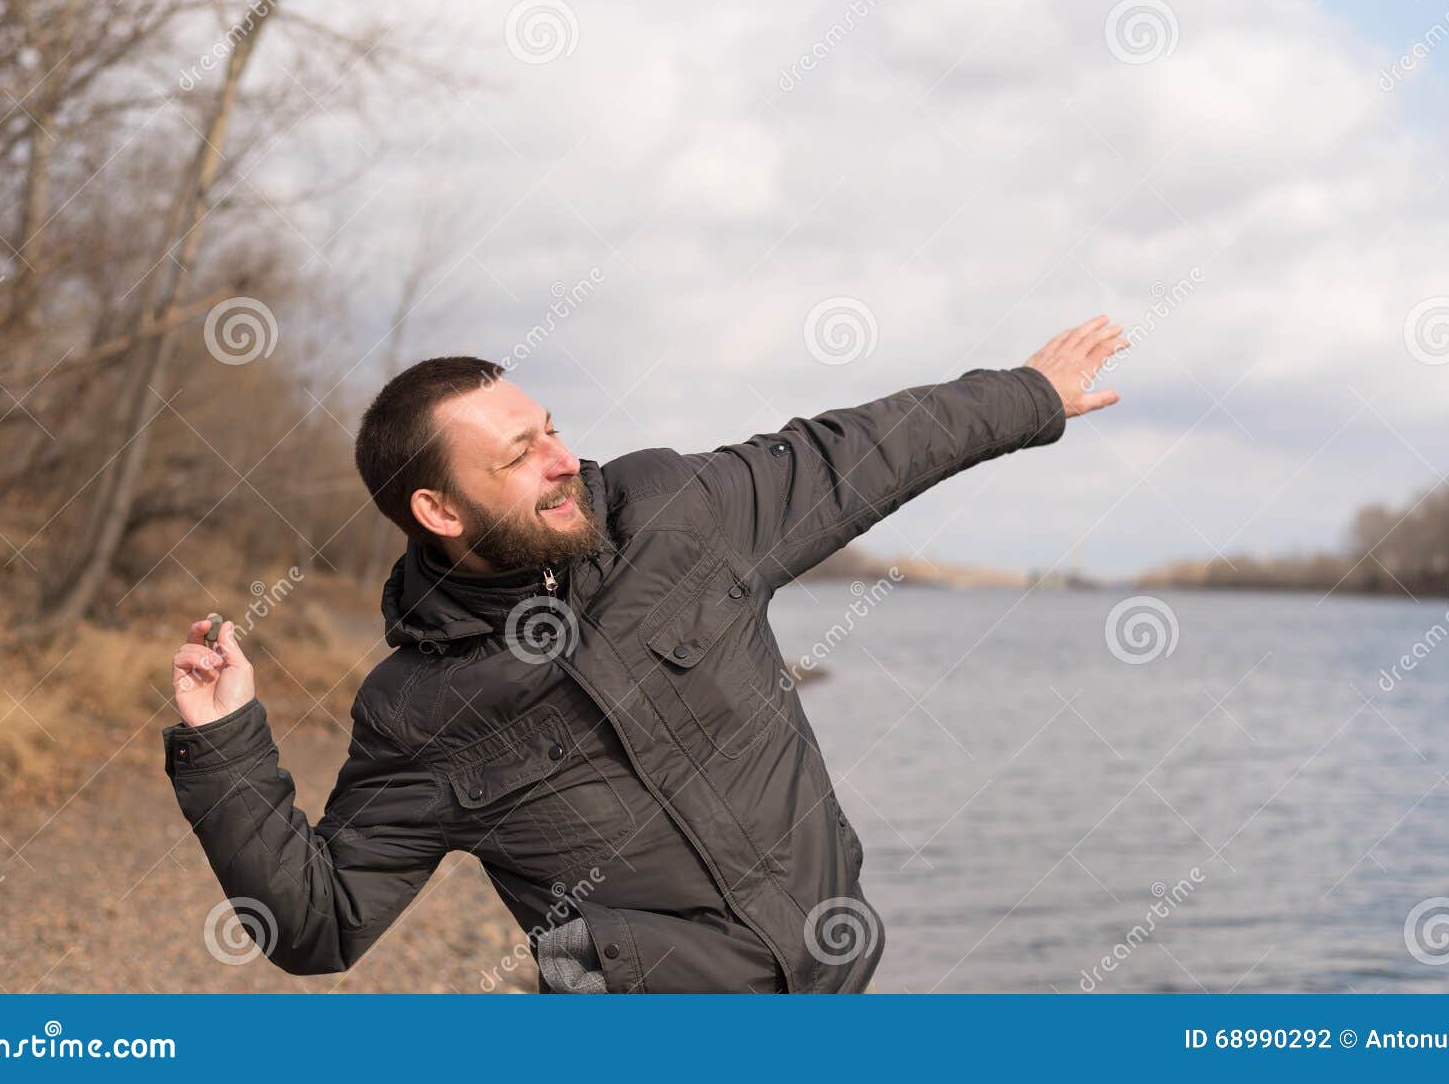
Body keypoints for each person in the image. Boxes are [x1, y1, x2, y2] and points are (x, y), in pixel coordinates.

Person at [164, 316, 1126, 991]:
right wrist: (224, 745)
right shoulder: (417, 711)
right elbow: (318, 925)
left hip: (835, 979)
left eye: (550, 431)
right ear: (440, 511)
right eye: (516, 456)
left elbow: (862, 450)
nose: (559, 461)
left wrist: (1030, 393)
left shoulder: (679, 513)